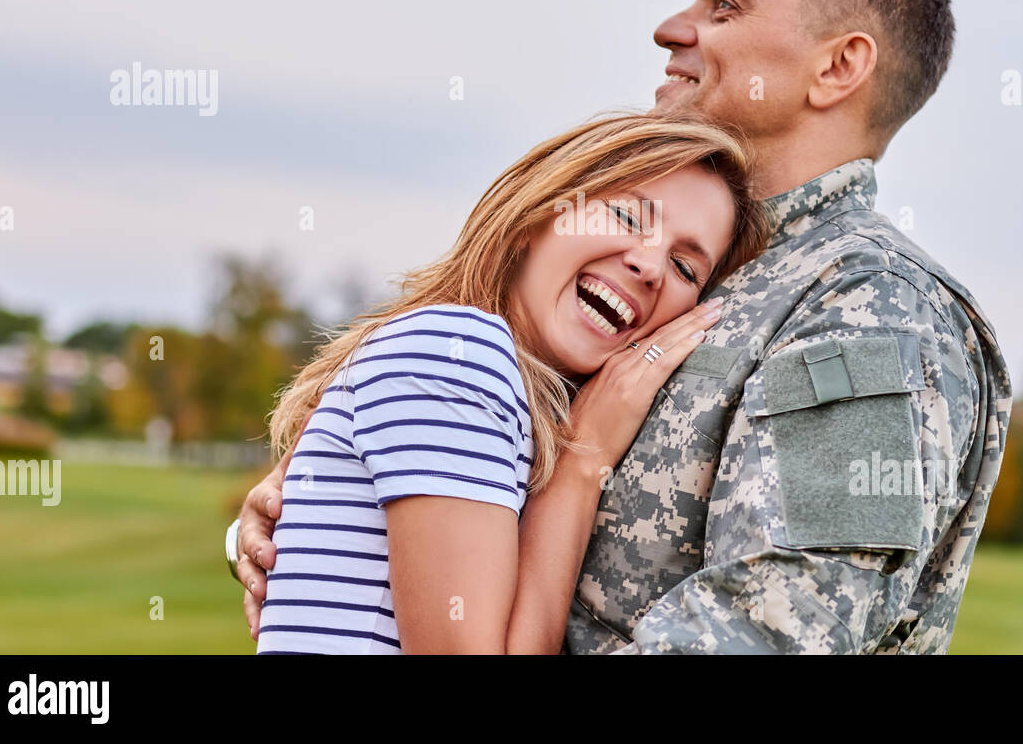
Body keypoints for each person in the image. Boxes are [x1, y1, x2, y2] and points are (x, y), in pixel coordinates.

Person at [233, 0, 1013, 654]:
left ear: (838, 65)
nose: (671, 28)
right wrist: (321, 510)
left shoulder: (869, 309)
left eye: (726, 7)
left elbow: (778, 628)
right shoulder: (678, 274)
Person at [252, 113, 769, 653]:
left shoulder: (487, 380)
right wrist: (582, 463)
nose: (649, 266)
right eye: (625, 214)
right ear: (534, 217)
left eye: (686, 268)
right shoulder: (460, 352)